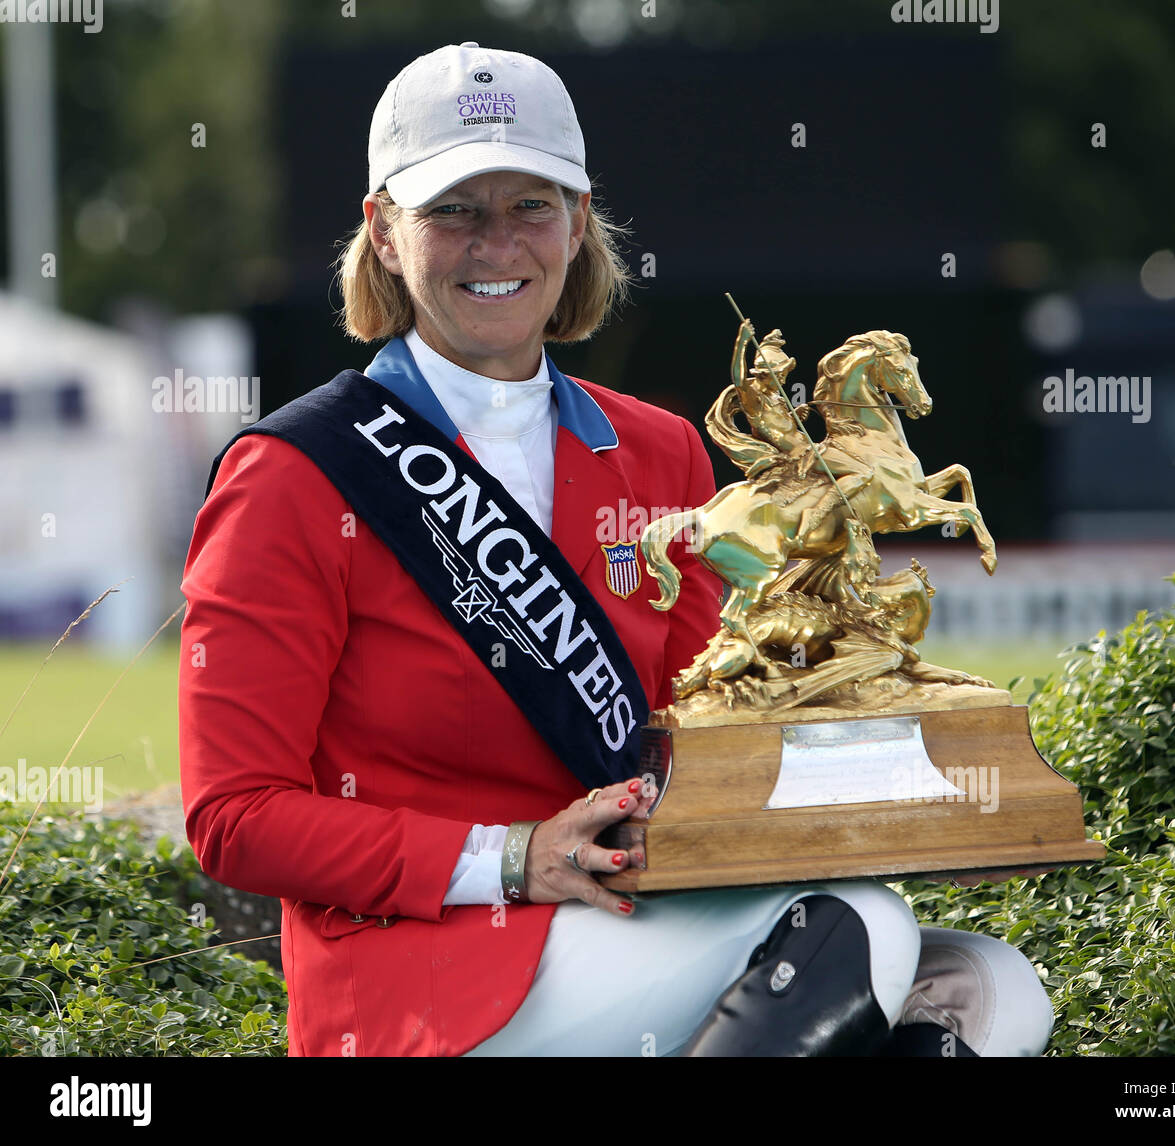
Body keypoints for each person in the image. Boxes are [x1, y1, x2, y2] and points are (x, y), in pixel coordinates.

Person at [178, 41, 1054, 1057]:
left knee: (994, 990)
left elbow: (703, 723)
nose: (493, 244)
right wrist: (509, 858)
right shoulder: (294, 473)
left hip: (637, 913)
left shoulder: (658, 449)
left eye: (528, 207)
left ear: (578, 220)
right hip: (421, 969)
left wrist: (913, 811)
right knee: (861, 927)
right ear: (383, 232)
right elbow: (234, 816)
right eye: (453, 209)